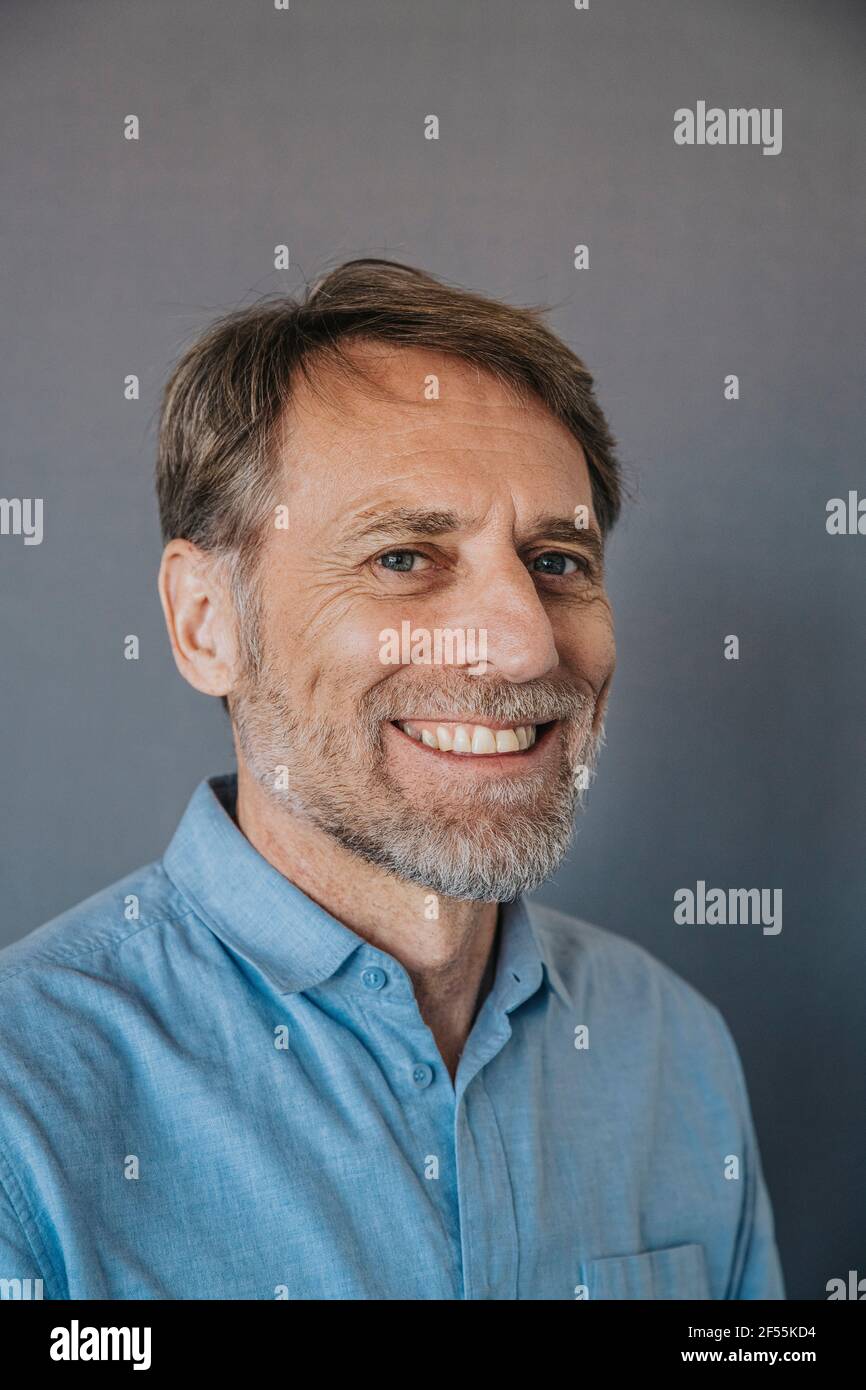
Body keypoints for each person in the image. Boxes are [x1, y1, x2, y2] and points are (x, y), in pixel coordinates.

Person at [0, 260, 784, 1299]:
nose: (521, 646)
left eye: (556, 561)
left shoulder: (671, 1050)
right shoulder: (24, 1108)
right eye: (404, 558)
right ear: (204, 623)